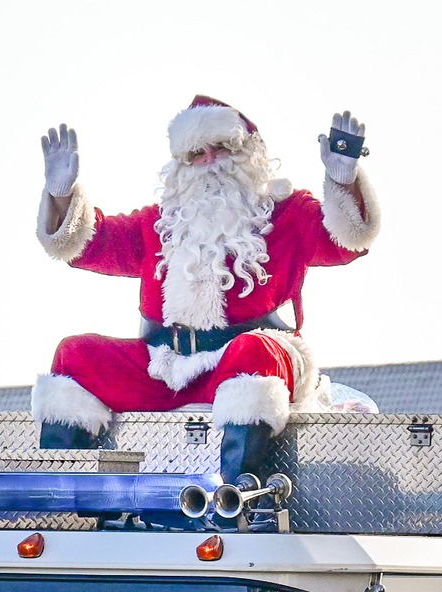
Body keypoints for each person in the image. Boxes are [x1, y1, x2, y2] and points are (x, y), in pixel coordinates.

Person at [32, 96, 380, 487]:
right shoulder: (160, 225)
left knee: (254, 350)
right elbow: (90, 244)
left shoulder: (289, 213)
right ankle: (60, 495)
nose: (210, 161)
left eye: (223, 148)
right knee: (76, 354)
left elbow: (346, 241)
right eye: (197, 154)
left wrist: (343, 183)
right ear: (181, 165)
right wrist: (62, 195)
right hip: (167, 367)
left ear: (249, 153)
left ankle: (239, 494)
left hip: (251, 361)